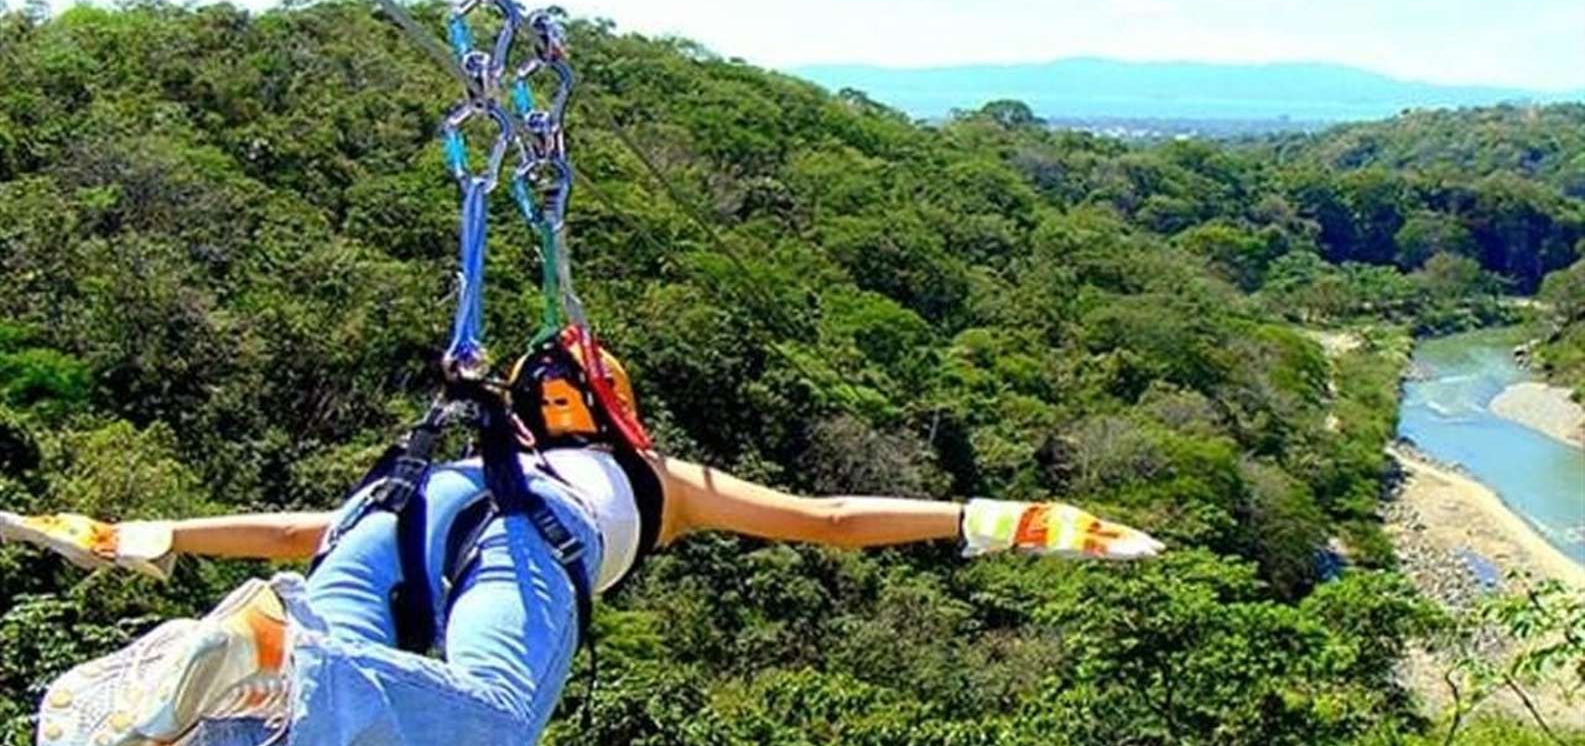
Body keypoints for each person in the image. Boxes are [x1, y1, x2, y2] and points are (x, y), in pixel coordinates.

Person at [4, 339, 1164, 746]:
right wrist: (1000, 519)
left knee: (306, 718)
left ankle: (182, 692)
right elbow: (829, 522)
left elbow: (304, 527)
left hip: (376, 526)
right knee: (492, 716)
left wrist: (140, 534)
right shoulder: (644, 477)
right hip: (523, 545)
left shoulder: (457, 455)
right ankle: (269, 657)